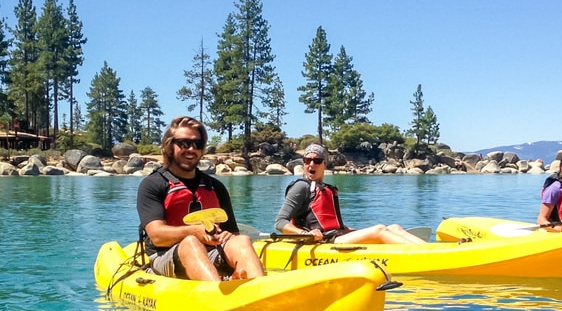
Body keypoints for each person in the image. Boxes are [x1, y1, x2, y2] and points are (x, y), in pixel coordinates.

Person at [136, 116, 265, 281]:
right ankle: (216, 295)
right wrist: (195, 232)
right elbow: (157, 236)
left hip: (212, 251)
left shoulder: (215, 187)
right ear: (170, 146)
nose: (191, 149)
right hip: (166, 256)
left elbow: (232, 232)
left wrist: (227, 236)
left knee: (242, 241)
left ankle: (258, 290)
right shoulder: (153, 184)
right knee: (191, 243)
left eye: (197, 144)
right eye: (183, 143)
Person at [275, 143, 425, 244]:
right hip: (323, 242)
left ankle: (431, 251)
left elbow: (331, 223)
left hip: (337, 235)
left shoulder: (327, 189)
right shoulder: (301, 187)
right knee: (379, 229)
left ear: (325, 164)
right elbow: (280, 222)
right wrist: (303, 234)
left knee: (394, 227)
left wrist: (349, 230)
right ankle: (426, 255)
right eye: (307, 160)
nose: (311, 164)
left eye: (317, 160)